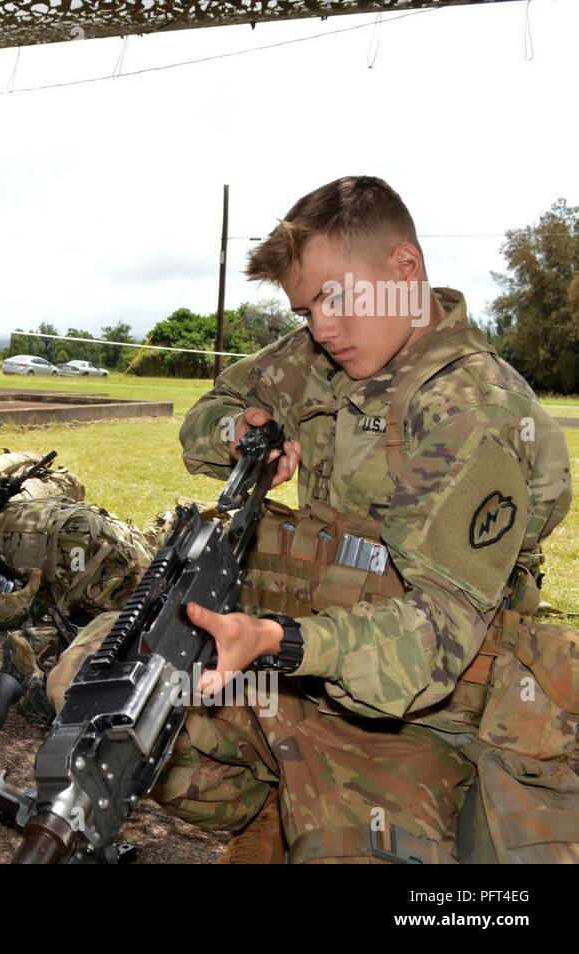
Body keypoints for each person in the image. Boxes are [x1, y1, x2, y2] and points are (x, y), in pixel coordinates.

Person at [43, 175, 575, 862]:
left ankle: (328, 815)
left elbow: (434, 646)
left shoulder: (472, 412)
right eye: (305, 311)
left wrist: (276, 641)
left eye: (335, 297)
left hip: (415, 721)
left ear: (404, 270)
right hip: (293, 668)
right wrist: (241, 430)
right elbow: (205, 418)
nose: (321, 327)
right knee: (99, 687)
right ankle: (278, 803)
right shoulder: (325, 355)